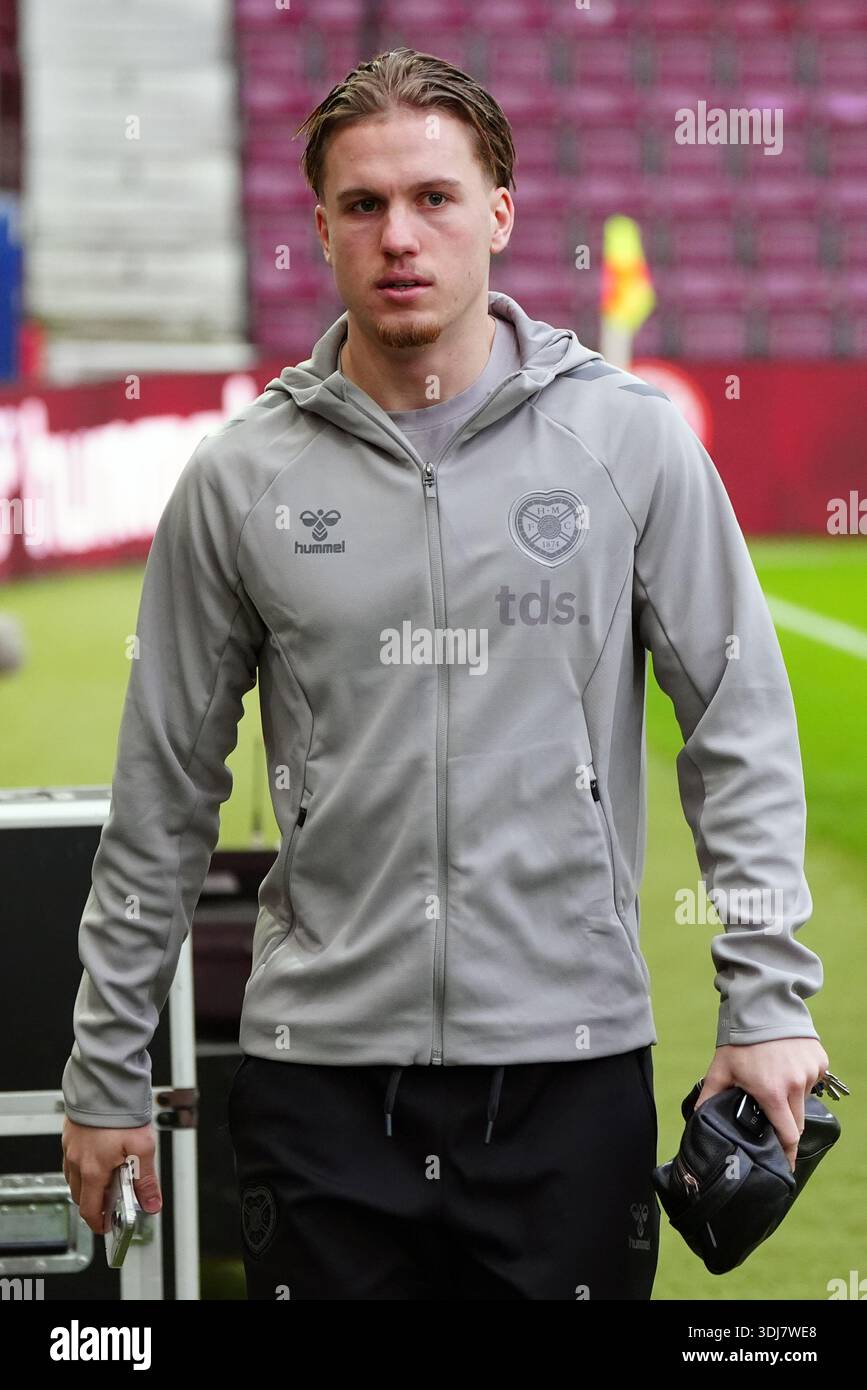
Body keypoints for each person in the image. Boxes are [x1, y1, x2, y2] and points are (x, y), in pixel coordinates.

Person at [61, 48, 829, 1300]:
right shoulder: (239, 479)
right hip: (319, 1089)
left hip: (568, 1073)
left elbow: (737, 721)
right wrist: (103, 1070)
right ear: (318, 228)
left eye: (434, 198)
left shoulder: (627, 441)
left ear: (502, 215)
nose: (399, 235)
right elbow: (161, 795)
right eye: (363, 205)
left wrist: (767, 996)